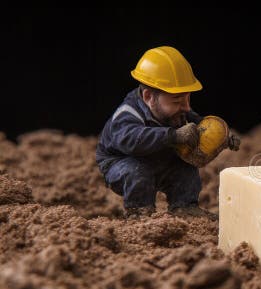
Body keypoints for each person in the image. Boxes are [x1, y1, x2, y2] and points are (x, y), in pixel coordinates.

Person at [95, 46, 239, 218]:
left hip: (158, 159)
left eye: (188, 97)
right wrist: (174, 136)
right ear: (148, 97)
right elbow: (131, 141)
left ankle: (184, 206)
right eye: (177, 100)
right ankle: (140, 212)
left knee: (185, 168)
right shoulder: (127, 114)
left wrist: (223, 138)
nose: (186, 107)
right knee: (137, 171)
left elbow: (200, 125)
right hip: (121, 162)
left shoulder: (178, 112)